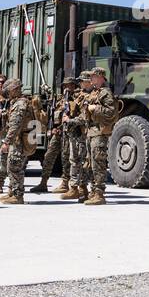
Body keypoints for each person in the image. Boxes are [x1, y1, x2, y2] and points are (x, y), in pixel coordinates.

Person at [33, 77, 78, 193]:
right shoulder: (58, 100)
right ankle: (43, 182)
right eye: (65, 86)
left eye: (70, 85)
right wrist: (51, 128)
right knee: (48, 156)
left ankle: (65, 182)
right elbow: (51, 116)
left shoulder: (77, 98)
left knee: (66, 158)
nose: (67, 88)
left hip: (69, 133)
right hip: (57, 132)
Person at [82, 66, 119, 206]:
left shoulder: (105, 93)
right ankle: (93, 192)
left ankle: (99, 194)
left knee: (98, 163)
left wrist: (94, 108)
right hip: (91, 132)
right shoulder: (94, 93)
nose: (91, 79)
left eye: (93, 76)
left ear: (100, 77)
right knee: (91, 164)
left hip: (99, 132)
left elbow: (111, 112)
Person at [0, 78, 33, 204]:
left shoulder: (20, 104)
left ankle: (18, 196)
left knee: (14, 167)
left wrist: (6, 142)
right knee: (11, 165)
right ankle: (12, 192)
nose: (7, 93)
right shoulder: (17, 102)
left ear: (13, 90)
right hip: (17, 140)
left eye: (9, 90)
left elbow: (15, 126)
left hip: (19, 140)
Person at [61, 71, 93, 202]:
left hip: (82, 133)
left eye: (82, 81)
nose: (79, 84)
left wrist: (70, 121)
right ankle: (81, 189)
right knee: (75, 160)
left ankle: (76, 188)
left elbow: (84, 118)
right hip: (75, 133)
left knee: (79, 161)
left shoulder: (89, 97)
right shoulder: (79, 95)